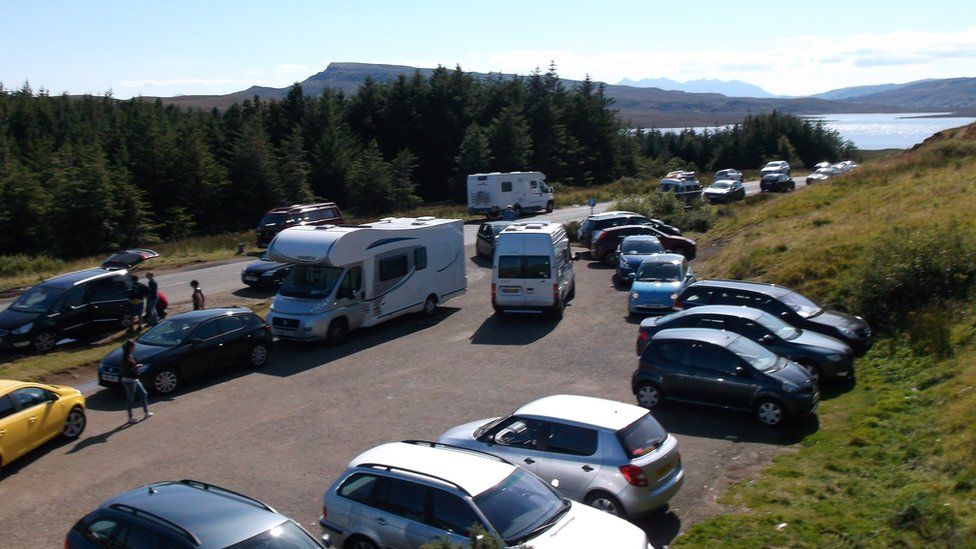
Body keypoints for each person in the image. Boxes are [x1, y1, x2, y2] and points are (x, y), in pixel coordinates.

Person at [121, 339, 152, 424]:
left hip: (134, 379)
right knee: (130, 399)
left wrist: (137, 366)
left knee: (144, 394)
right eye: (134, 346)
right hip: (129, 381)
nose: (135, 347)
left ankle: (146, 413)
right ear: (130, 347)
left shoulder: (129, 355)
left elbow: (131, 368)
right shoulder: (126, 357)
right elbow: (128, 370)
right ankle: (130, 418)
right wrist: (137, 367)